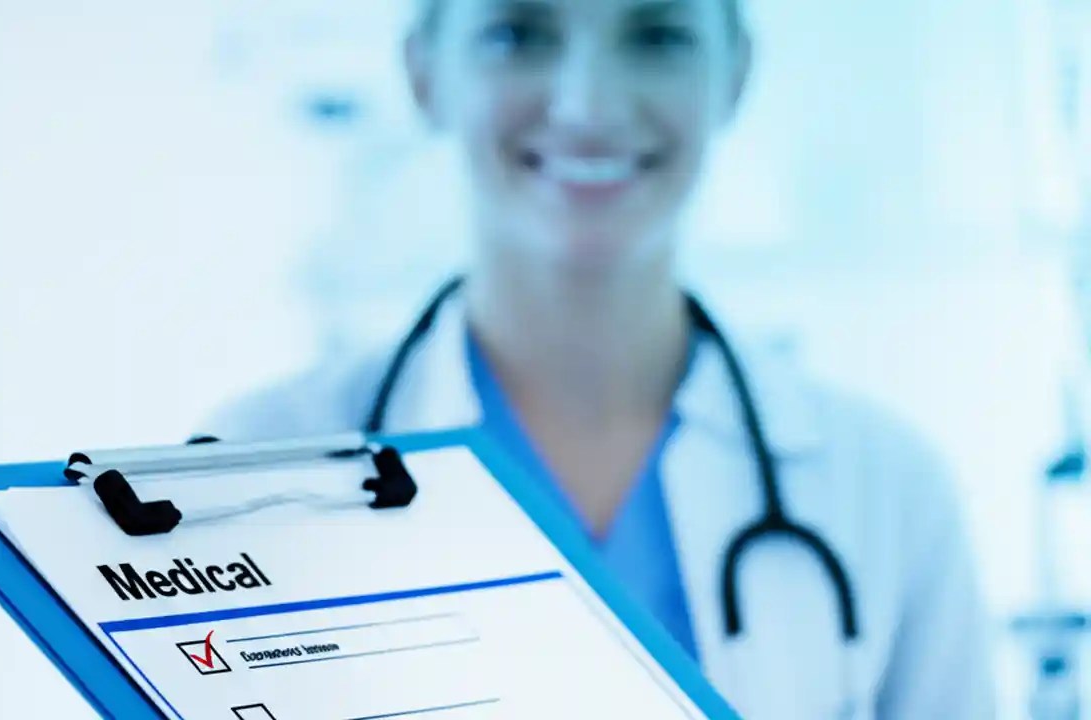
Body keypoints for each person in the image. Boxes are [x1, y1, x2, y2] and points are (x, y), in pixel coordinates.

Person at [199, 0, 995, 716]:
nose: (588, 105)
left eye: (657, 34)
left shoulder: (886, 485)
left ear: (737, 73)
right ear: (424, 74)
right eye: (518, 33)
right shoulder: (249, 474)